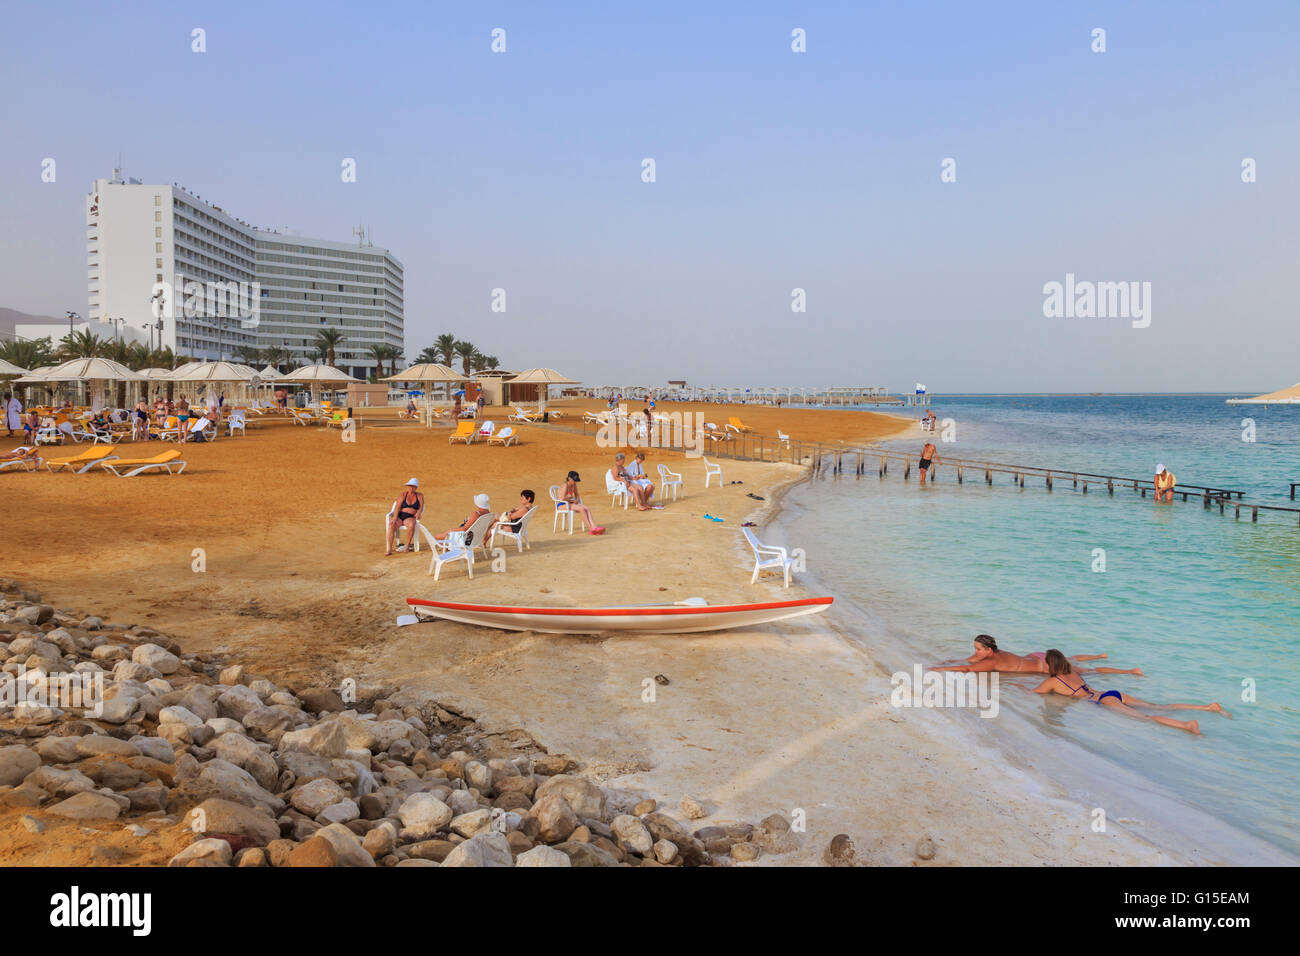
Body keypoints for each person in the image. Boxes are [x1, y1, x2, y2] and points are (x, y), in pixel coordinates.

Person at [1024, 649, 1229, 734]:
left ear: (1050, 665)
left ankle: (1187, 725)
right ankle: (1207, 707)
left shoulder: (1052, 681)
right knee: (1158, 706)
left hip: (1103, 700)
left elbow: (1032, 693)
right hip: (1112, 692)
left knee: (1146, 718)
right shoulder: (1072, 672)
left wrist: (1013, 686)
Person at [932, 634, 1142, 675]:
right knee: (1072, 658)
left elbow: (967, 668)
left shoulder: (991, 663)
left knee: (1088, 672)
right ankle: (1100, 655)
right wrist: (945, 661)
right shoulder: (993, 653)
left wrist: (935, 669)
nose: (975, 652)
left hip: (1045, 666)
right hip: (1037, 656)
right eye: (975, 648)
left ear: (989, 650)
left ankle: (1129, 671)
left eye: (978, 649)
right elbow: (966, 661)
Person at [386, 478, 425, 554]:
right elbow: (397, 507)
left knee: (411, 524)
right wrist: (395, 517)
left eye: (412, 486)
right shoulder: (403, 494)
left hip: (410, 516)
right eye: (409, 486)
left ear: (416, 487)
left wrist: (418, 513)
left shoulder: (420, 496)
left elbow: (421, 507)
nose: (410, 488)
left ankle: (406, 546)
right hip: (400, 515)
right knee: (391, 524)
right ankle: (389, 549)